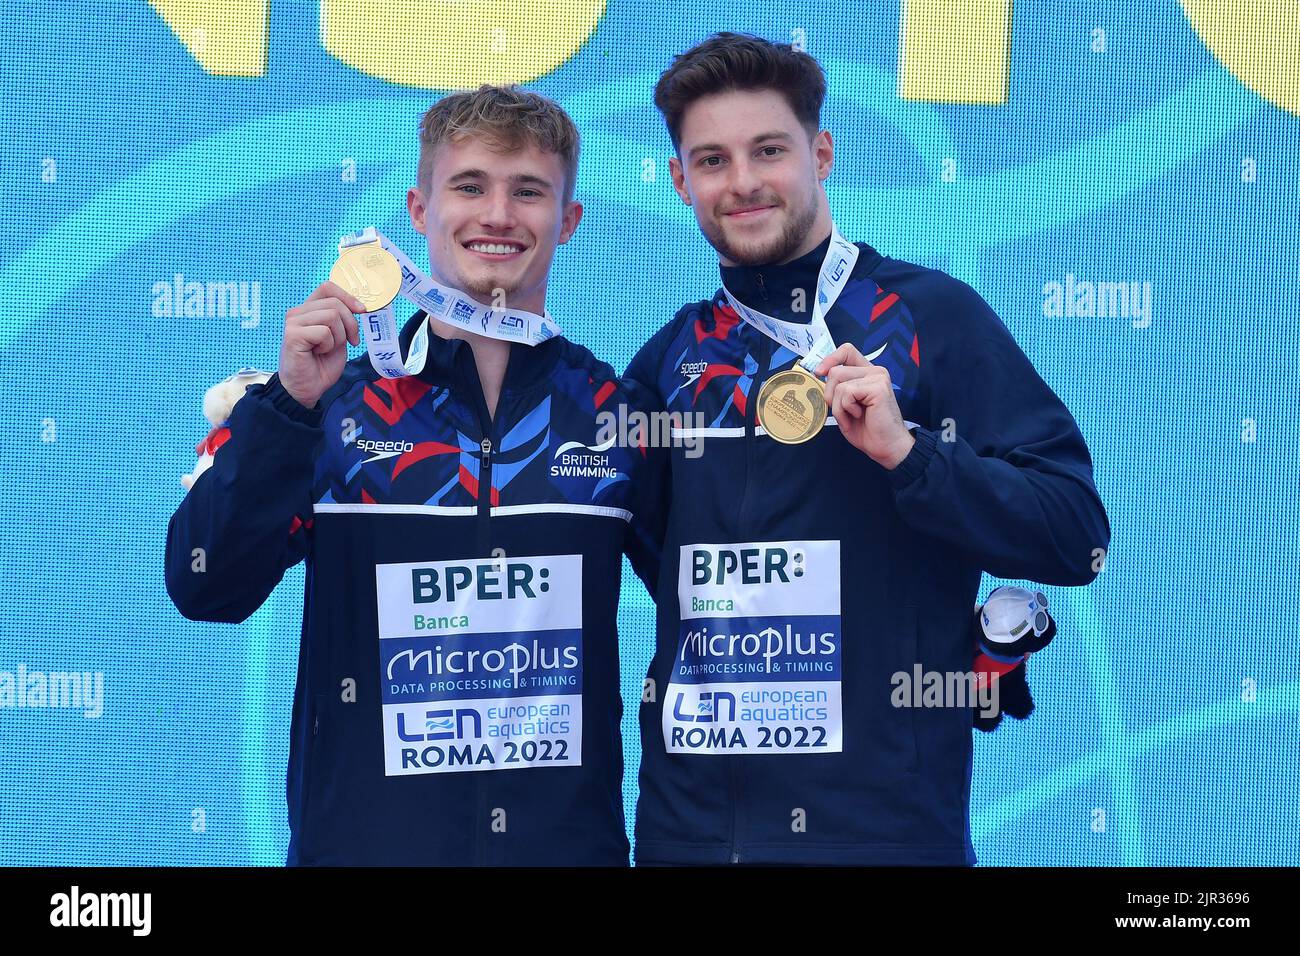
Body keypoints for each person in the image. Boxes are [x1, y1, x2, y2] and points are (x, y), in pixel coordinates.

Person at [624, 32, 1112, 865]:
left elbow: (1074, 533)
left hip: (883, 839)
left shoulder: (930, 318)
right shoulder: (670, 359)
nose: (742, 182)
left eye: (768, 150)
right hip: (690, 838)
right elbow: (629, 548)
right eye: (711, 160)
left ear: (821, 152)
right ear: (680, 180)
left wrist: (911, 455)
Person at [166, 84, 663, 866]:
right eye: (469, 186)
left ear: (567, 221)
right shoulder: (331, 408)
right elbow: (206, 587)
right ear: (419, 210)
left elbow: (717, 601)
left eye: (527, 191)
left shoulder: (615, 413)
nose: (497, 215)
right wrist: (288, 406)